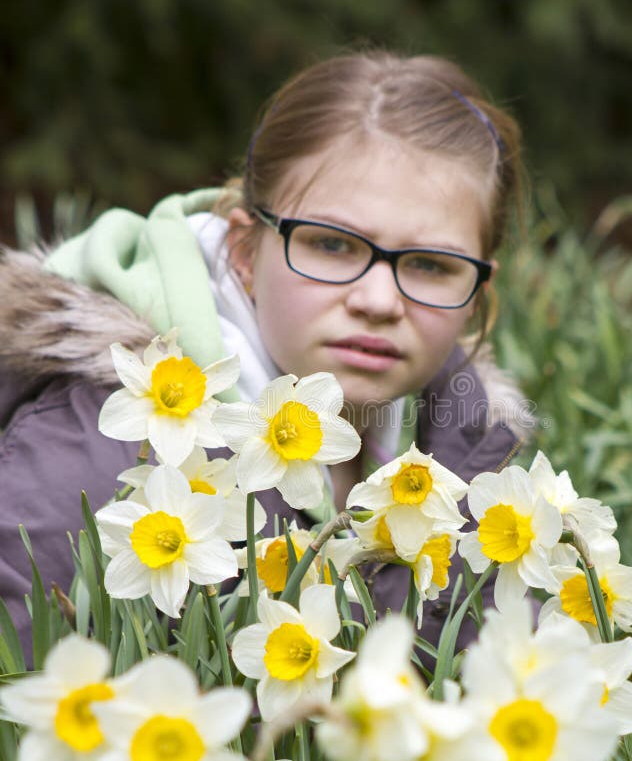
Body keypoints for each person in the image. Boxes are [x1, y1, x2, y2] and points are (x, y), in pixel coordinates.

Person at [0, 50, 534, 658]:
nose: (380, 300)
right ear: (246, 252)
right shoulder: (98, 460)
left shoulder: (472, 459)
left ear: (477, 294)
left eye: (433, 265)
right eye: (332, 245)